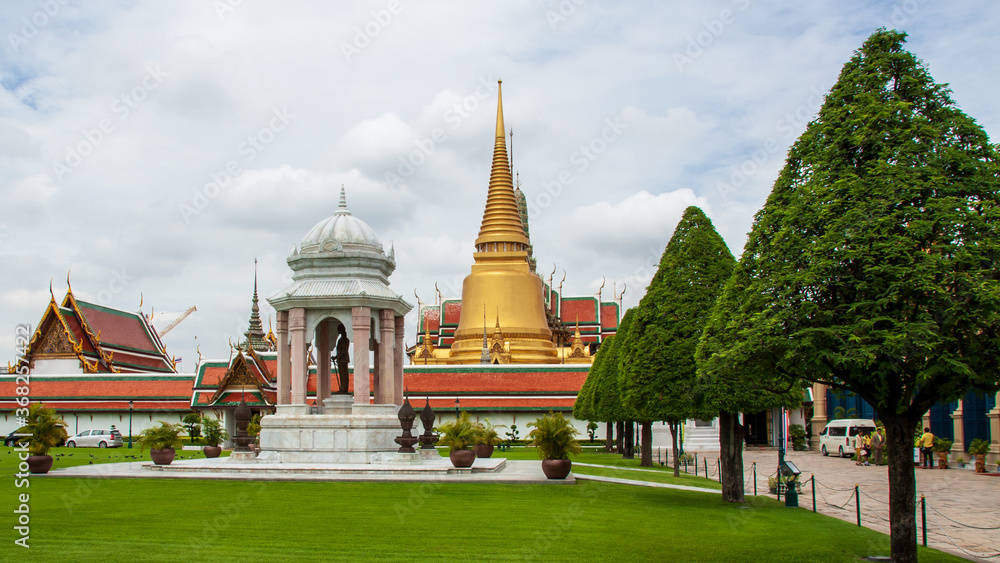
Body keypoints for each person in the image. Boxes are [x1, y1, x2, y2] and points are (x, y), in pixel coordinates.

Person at [333, 324, 351, 393]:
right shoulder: (342, 339)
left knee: (344, 375)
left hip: (343, 359)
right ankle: (342, 388)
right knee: (342, 374)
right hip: (341, 360)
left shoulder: (344, 339)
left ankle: (344, 388)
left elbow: (344, 350)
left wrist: (336, 357)